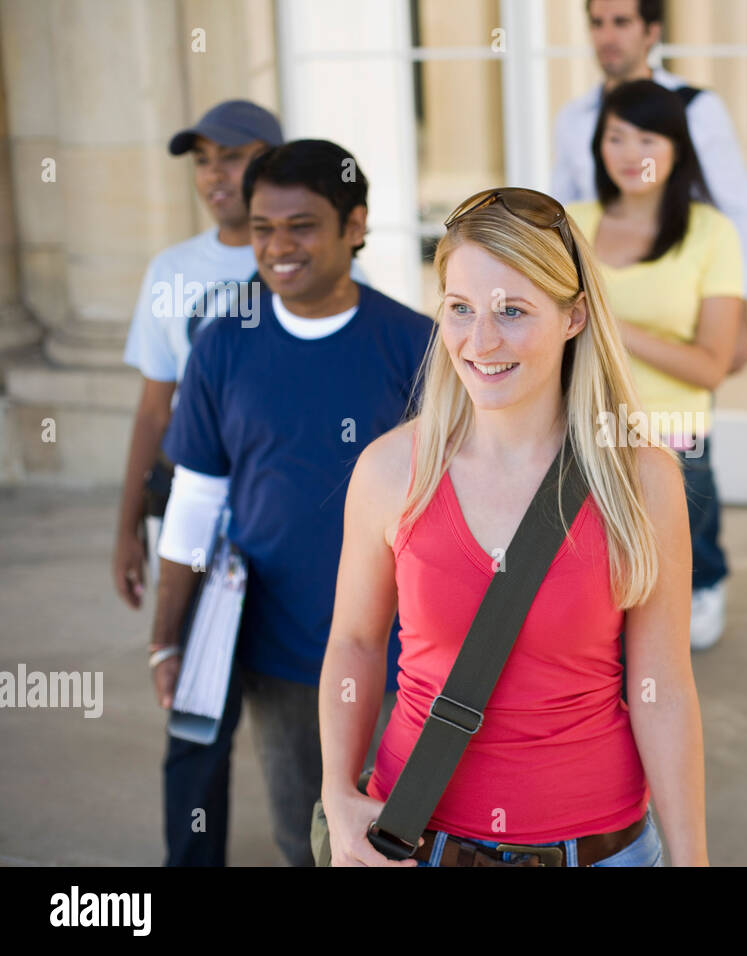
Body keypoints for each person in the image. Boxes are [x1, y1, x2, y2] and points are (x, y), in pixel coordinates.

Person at [319, 186, 707, 867]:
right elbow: (354, 642)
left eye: (513, 311)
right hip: (417, 842)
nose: (481, 340)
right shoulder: (391, 471)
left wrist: (692, 858)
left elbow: (664, 687)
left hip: (599, 848)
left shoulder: (642, 480)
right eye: (460, 308)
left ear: (574, 317)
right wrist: (336, 792)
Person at [149, 139, 433, 866]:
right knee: (304, 838)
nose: (277, 247)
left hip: (410, 653)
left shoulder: (420, 346)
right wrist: (168, 635)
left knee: (414, 840)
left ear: (355, 225)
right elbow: (195, 498)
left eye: (301, 226)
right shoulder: (221, 344)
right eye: (262, 228)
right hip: (275, 651)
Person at [112, 99, 283, 868]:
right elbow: (153, 411)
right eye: (204, 160)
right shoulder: (172, 271)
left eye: (236, 156)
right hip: (191, 515)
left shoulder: (305, 258)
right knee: (194, 711)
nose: (217, 175)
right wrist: (126, 529)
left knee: (306, 715)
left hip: (281, 516)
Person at [565, 79, 743, 651]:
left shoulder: (711, 233)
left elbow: (710, 366)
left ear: (677, 149)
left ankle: (704, 583)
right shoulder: (569, 223)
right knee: (586, 592)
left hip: (672, 434)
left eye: (648, 138)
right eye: (615, 137)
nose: (630, 153)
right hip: (578, 423)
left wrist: (610, 324)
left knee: (665, 603)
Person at [551, 0, 747, 365]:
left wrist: (738, 304)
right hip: (602, 287)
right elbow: (559, 210)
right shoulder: (574, 117)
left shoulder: (697, 108)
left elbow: (735, 207)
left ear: (652, 31)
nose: (607, 36)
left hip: (676, 287)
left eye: (621, 22)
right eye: (597, 24)